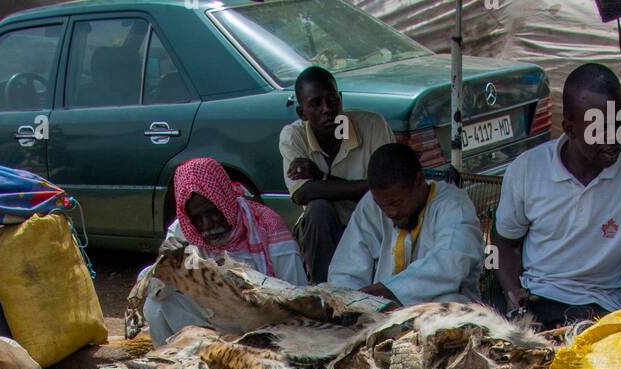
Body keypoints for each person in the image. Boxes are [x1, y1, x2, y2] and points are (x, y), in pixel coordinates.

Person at [494, 63, 621, 329]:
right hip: (537, 303)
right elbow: (502, 244)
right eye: (600, 129)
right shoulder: (527, 169)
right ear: (570, 129)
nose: (614, 138)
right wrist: (512, 293)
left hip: (602, 311)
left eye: (620, 124)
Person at [142, 157, 306, 345]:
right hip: (212, 323)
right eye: (197, 217)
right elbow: (154, 291)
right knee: (157, 305)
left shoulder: (268, 227)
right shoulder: (183, 230)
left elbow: (297, 296)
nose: (206, 224)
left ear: (224, 200)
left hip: (263, 328)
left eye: (211, 212)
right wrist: (166, 265)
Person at [327, 143, 483, 307]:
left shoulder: (454, 206)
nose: (390, 212)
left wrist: (390, 291)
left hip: (445, 314)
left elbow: (451, 264)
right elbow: (346, 269)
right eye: (382, 205)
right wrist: (350, 301)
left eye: (397, 203)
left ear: (419, 180)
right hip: (379, 315)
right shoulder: (371, 204)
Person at [280, 66, 396, 283]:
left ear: (340, 98)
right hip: (327, 229)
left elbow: (390, 188)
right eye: (315, 103)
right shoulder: (293, 136)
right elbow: (303, 193)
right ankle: (328, 300)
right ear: (302, 112)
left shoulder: (372, 126)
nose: (327, 109)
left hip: (373, 221)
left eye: (332, 100)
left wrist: (322, 179)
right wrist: (366, 186)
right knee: (318, 209)